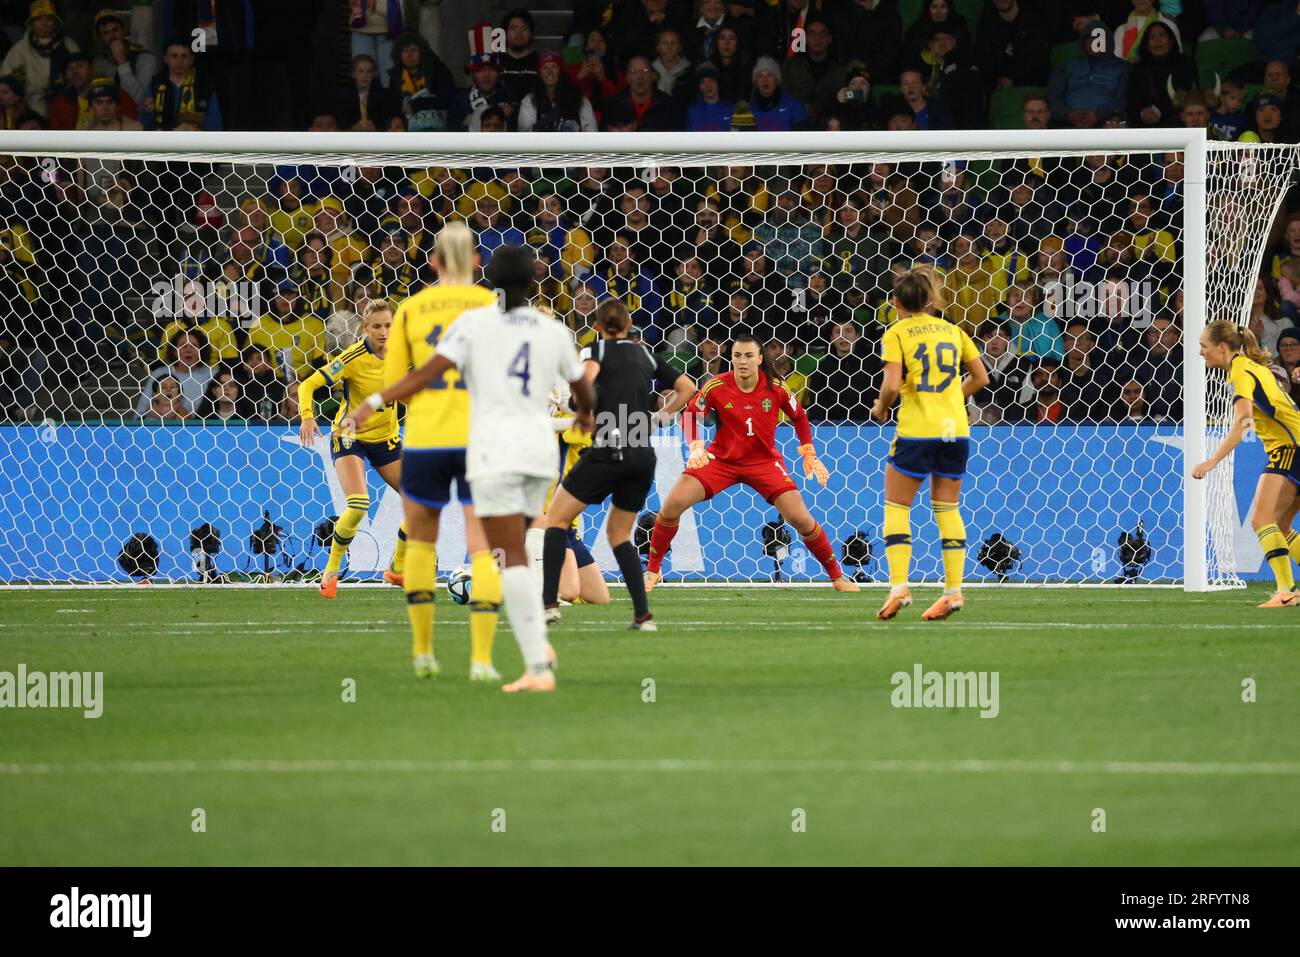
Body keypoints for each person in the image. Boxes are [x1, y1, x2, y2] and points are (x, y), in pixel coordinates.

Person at [354, 244, 597, 693]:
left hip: (496, 449)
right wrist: (584, 417)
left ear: (490, 278)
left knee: (507, 555)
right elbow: (584, 390)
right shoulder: (552, 330)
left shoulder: (475, 325)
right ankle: (536, 644)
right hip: (541, 453)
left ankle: (537, 664)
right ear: (533, 281)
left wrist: (374, 401)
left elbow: (426, 374)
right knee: (522, 542)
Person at [352, 223, 503, 681]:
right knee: (482, 543)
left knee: (421, 540)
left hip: (424, 436)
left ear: (433, 262)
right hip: (479, 436)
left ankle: (422, 651)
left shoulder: (411, 309)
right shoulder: (489, 306)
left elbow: (395, 386)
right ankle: (481, 659)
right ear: (476, 262)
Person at [645, 334, 860, 593]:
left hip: (764, 462)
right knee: (671, 506)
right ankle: (653, 571)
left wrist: (808, 452)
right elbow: (691, 414)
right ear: (731, 358)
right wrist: (695, 445)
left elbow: (800, 417)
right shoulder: (715, 386)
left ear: (759, 358)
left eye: (748, 356)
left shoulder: (777, 387)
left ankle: (837, 577)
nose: (742, 361)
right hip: (721, 460)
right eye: (737, 356)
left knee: (800, 519)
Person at [541, 298, 697, 630]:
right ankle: (643, 615)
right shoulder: (644, 354)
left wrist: (578, 408)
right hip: (642, 453)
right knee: (619, 535)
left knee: (556, 520)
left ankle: (549, 605)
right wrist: (660, 418)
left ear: (597, 327)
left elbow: (585, 384)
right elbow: (687, 387)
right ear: (629, 326)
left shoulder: (592, 352)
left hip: (608, 449)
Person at [870, 268, 989, 622]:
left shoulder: (897, 332)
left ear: (895, 303)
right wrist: (953, 395)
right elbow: (981, 377)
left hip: (918, 430)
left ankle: (899, 587)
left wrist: (881, 408)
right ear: (932, 301)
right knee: (947, 509)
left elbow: (891, 384)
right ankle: (953, 592)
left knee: (896, 506)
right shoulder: (955, 332)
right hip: (956, 430)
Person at [297, 299, 409, 599]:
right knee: (358, 504)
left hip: (386, 439)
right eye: (376, 326)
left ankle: (397, 569)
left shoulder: (405, 356)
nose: (383, 332)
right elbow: (306, 385)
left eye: (388, 325)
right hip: (349, 435)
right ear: (364, 328)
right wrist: (307, 416)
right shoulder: (351, 357)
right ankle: (331, 572)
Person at [1193, 321, 1300, 608]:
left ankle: (1287, 591)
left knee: (1261, 520)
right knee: (1281, 524)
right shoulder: (1253, 368)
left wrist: (1212, 460)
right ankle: (1287, 590)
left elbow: (1243, 422)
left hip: (1290, 448)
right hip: (1294, 446)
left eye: (1204, 346)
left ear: (1222, 347)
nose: (1201, 353)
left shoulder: (1240, 372)